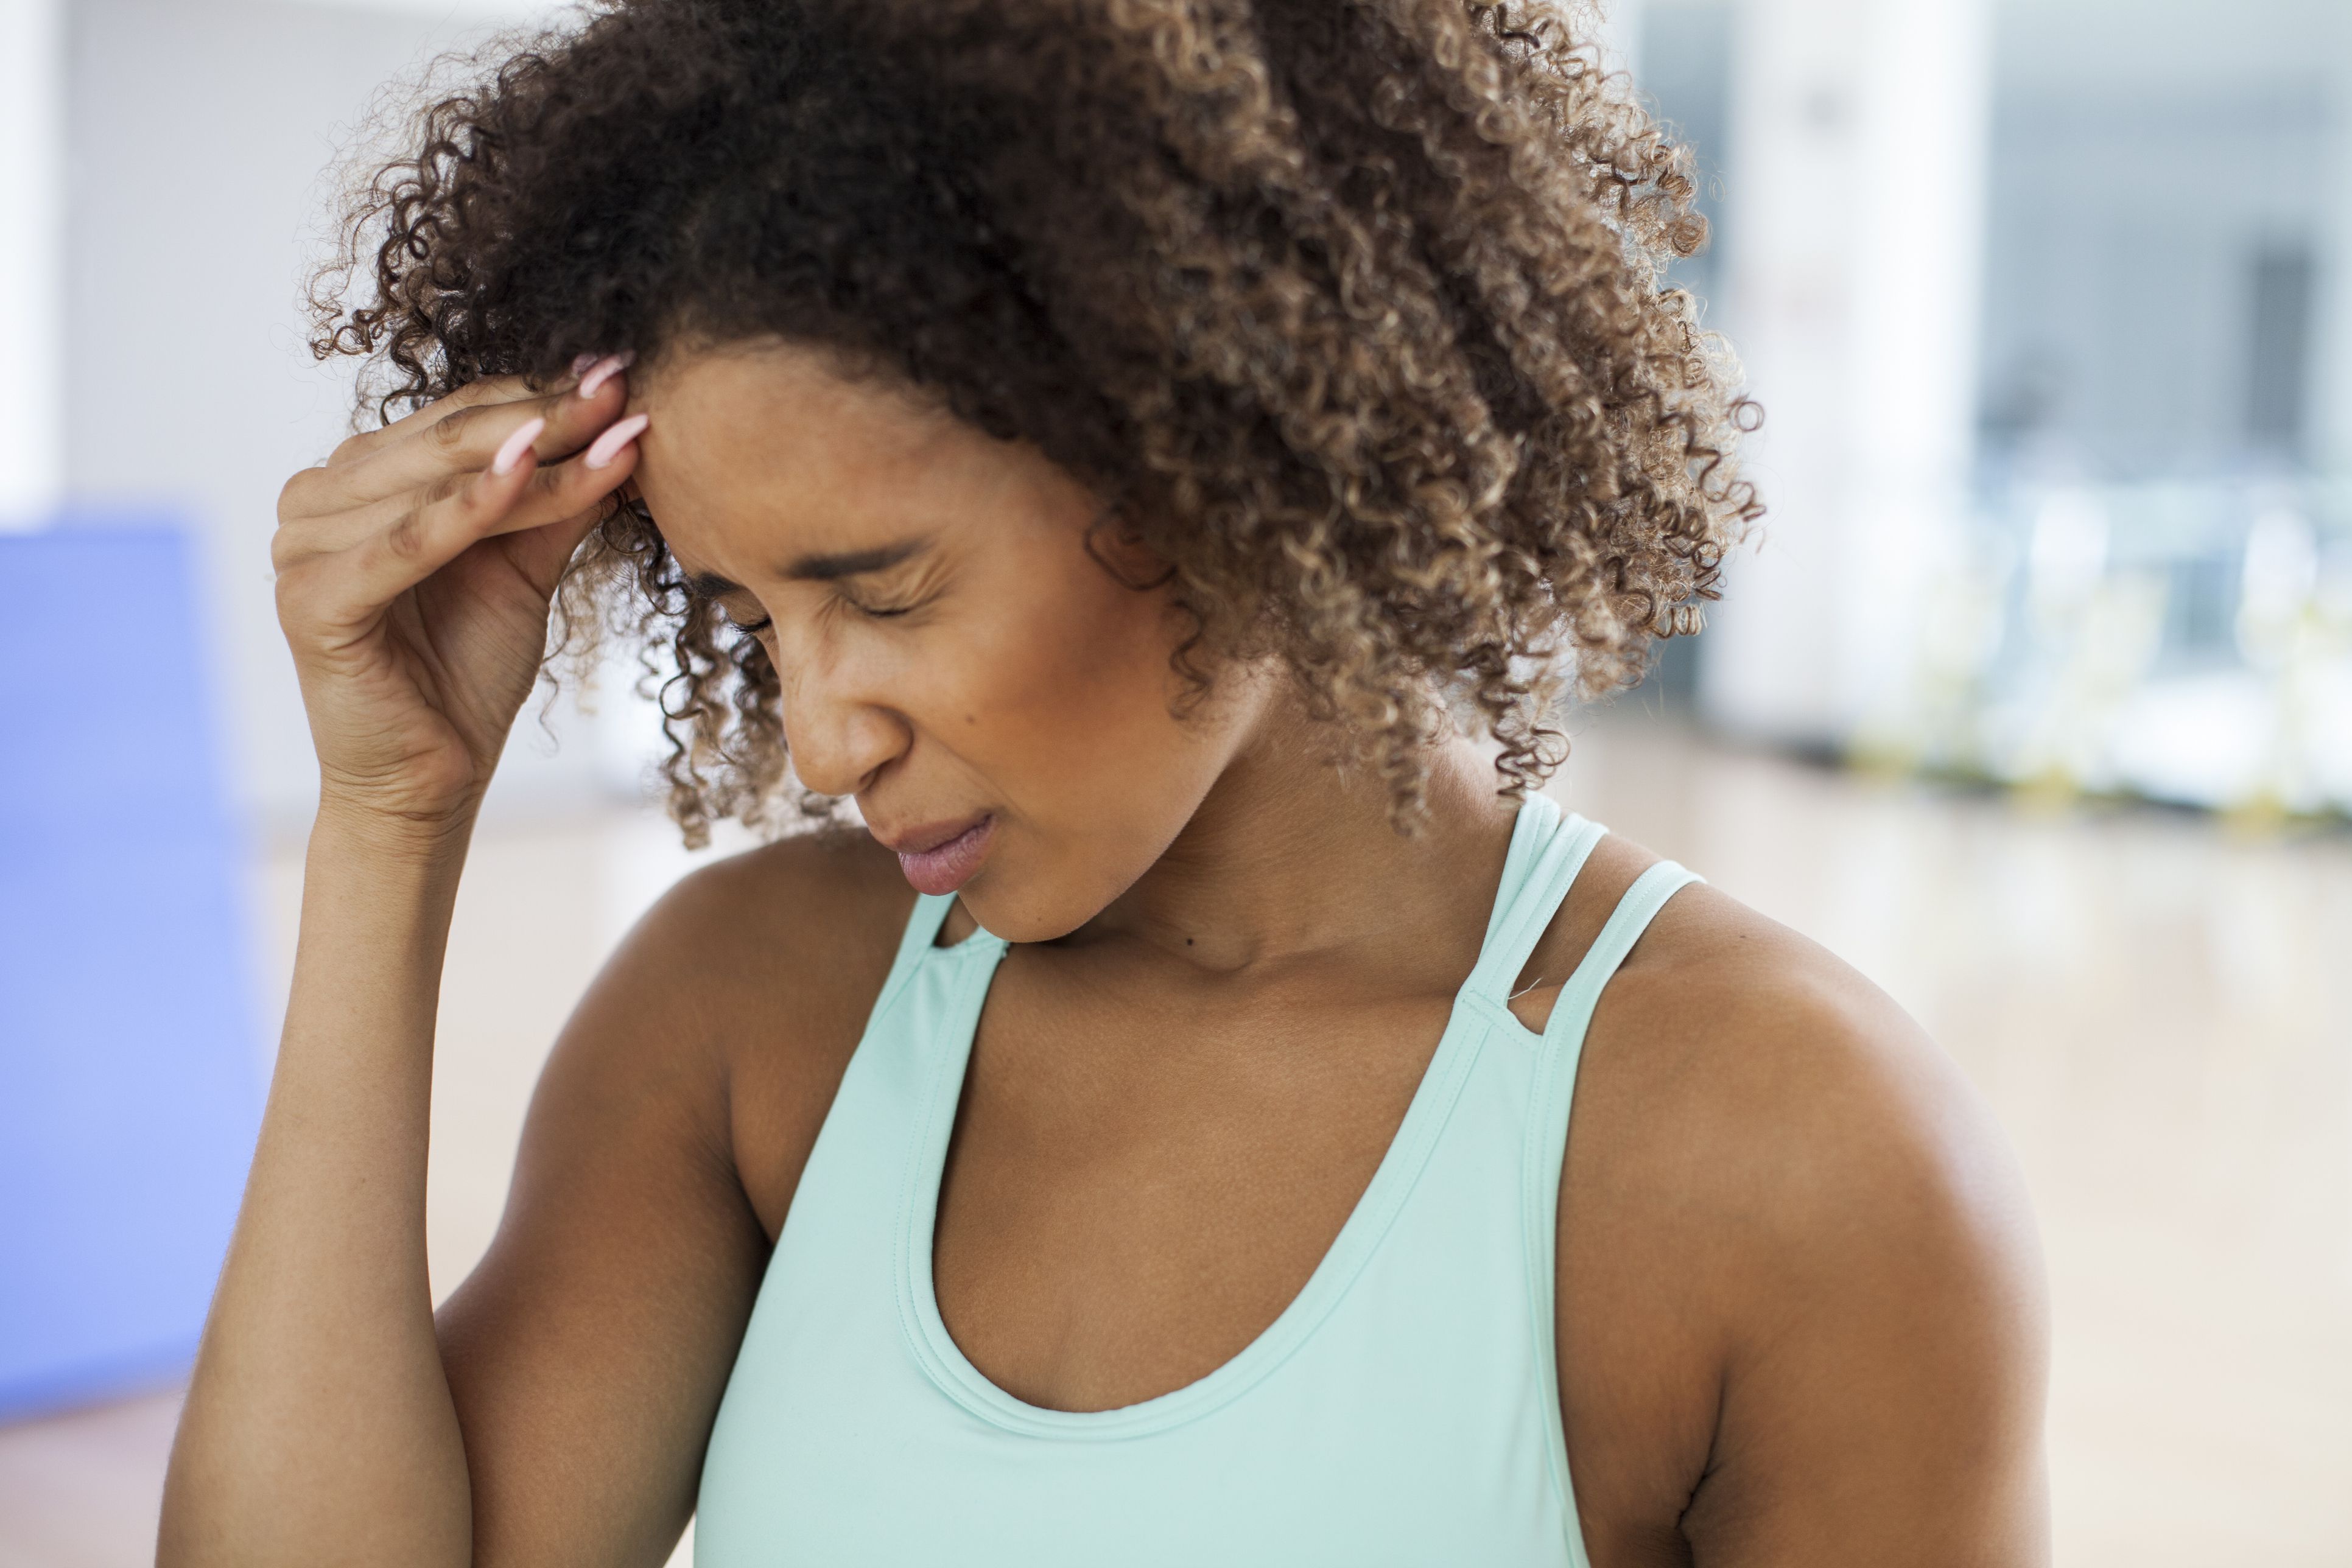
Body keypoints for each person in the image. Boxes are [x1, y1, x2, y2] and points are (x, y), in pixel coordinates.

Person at [159, 1, 2047, 1563]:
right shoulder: (756, 1023)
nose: (819, 740)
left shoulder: (1790, 1165)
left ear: (1225, 443)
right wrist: (390, 823)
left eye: (879, 591)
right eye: (746, 609)